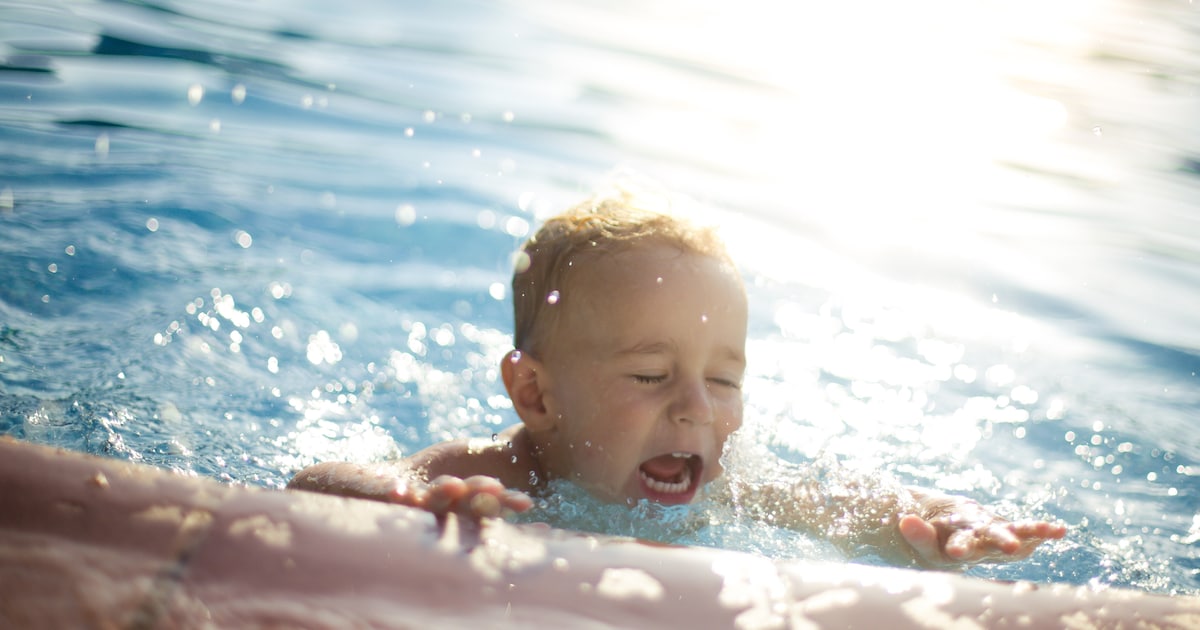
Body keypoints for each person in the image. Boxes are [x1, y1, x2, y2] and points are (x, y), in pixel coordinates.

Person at [288, 190, 1066, 568]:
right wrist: (405, 502)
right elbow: (314, 482)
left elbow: (861, 507)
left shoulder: (732, 484)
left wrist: (950, 519)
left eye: (725, 381)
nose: (697, 409)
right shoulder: (496, 472)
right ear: (537, 396)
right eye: (652, 374)